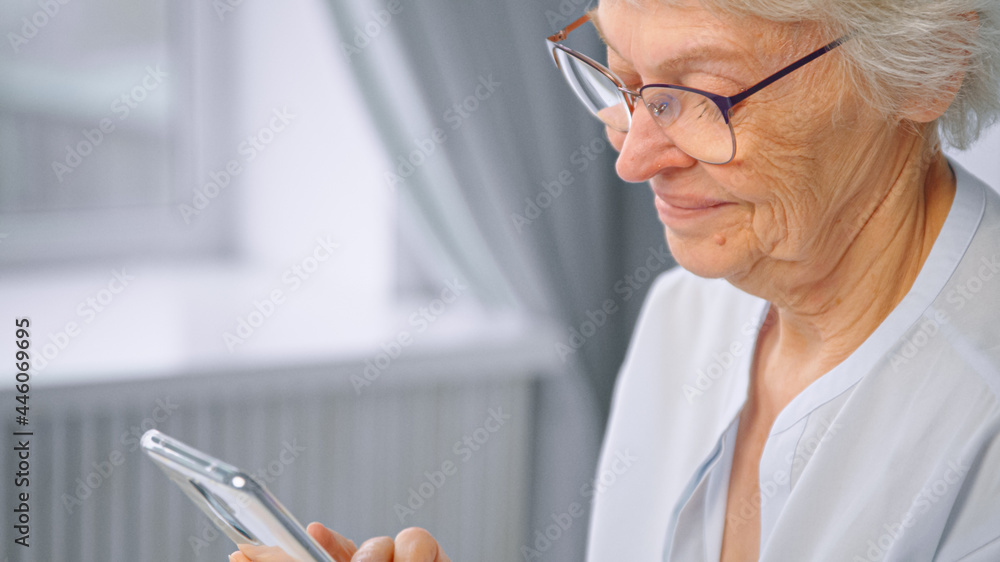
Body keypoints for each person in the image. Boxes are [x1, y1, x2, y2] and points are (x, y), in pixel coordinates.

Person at [234, 0, 1000, 559]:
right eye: (622, 81)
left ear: (930, 67)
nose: (633, 160)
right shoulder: (684, 314)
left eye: (697, 96)